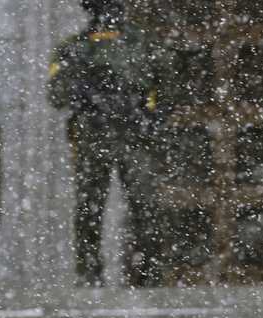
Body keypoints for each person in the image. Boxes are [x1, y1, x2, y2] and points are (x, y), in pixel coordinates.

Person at [48, 0, 167, 287]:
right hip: (94, 133)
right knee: (90, 207)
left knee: (144, 206)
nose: (107, 13)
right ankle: (89, 274)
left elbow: (165, 86)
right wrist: (87, 85)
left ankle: (149, 274)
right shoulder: (74, 47)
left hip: (134, 134)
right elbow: (56, 94)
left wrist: (145, 111)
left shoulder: (142, 44)